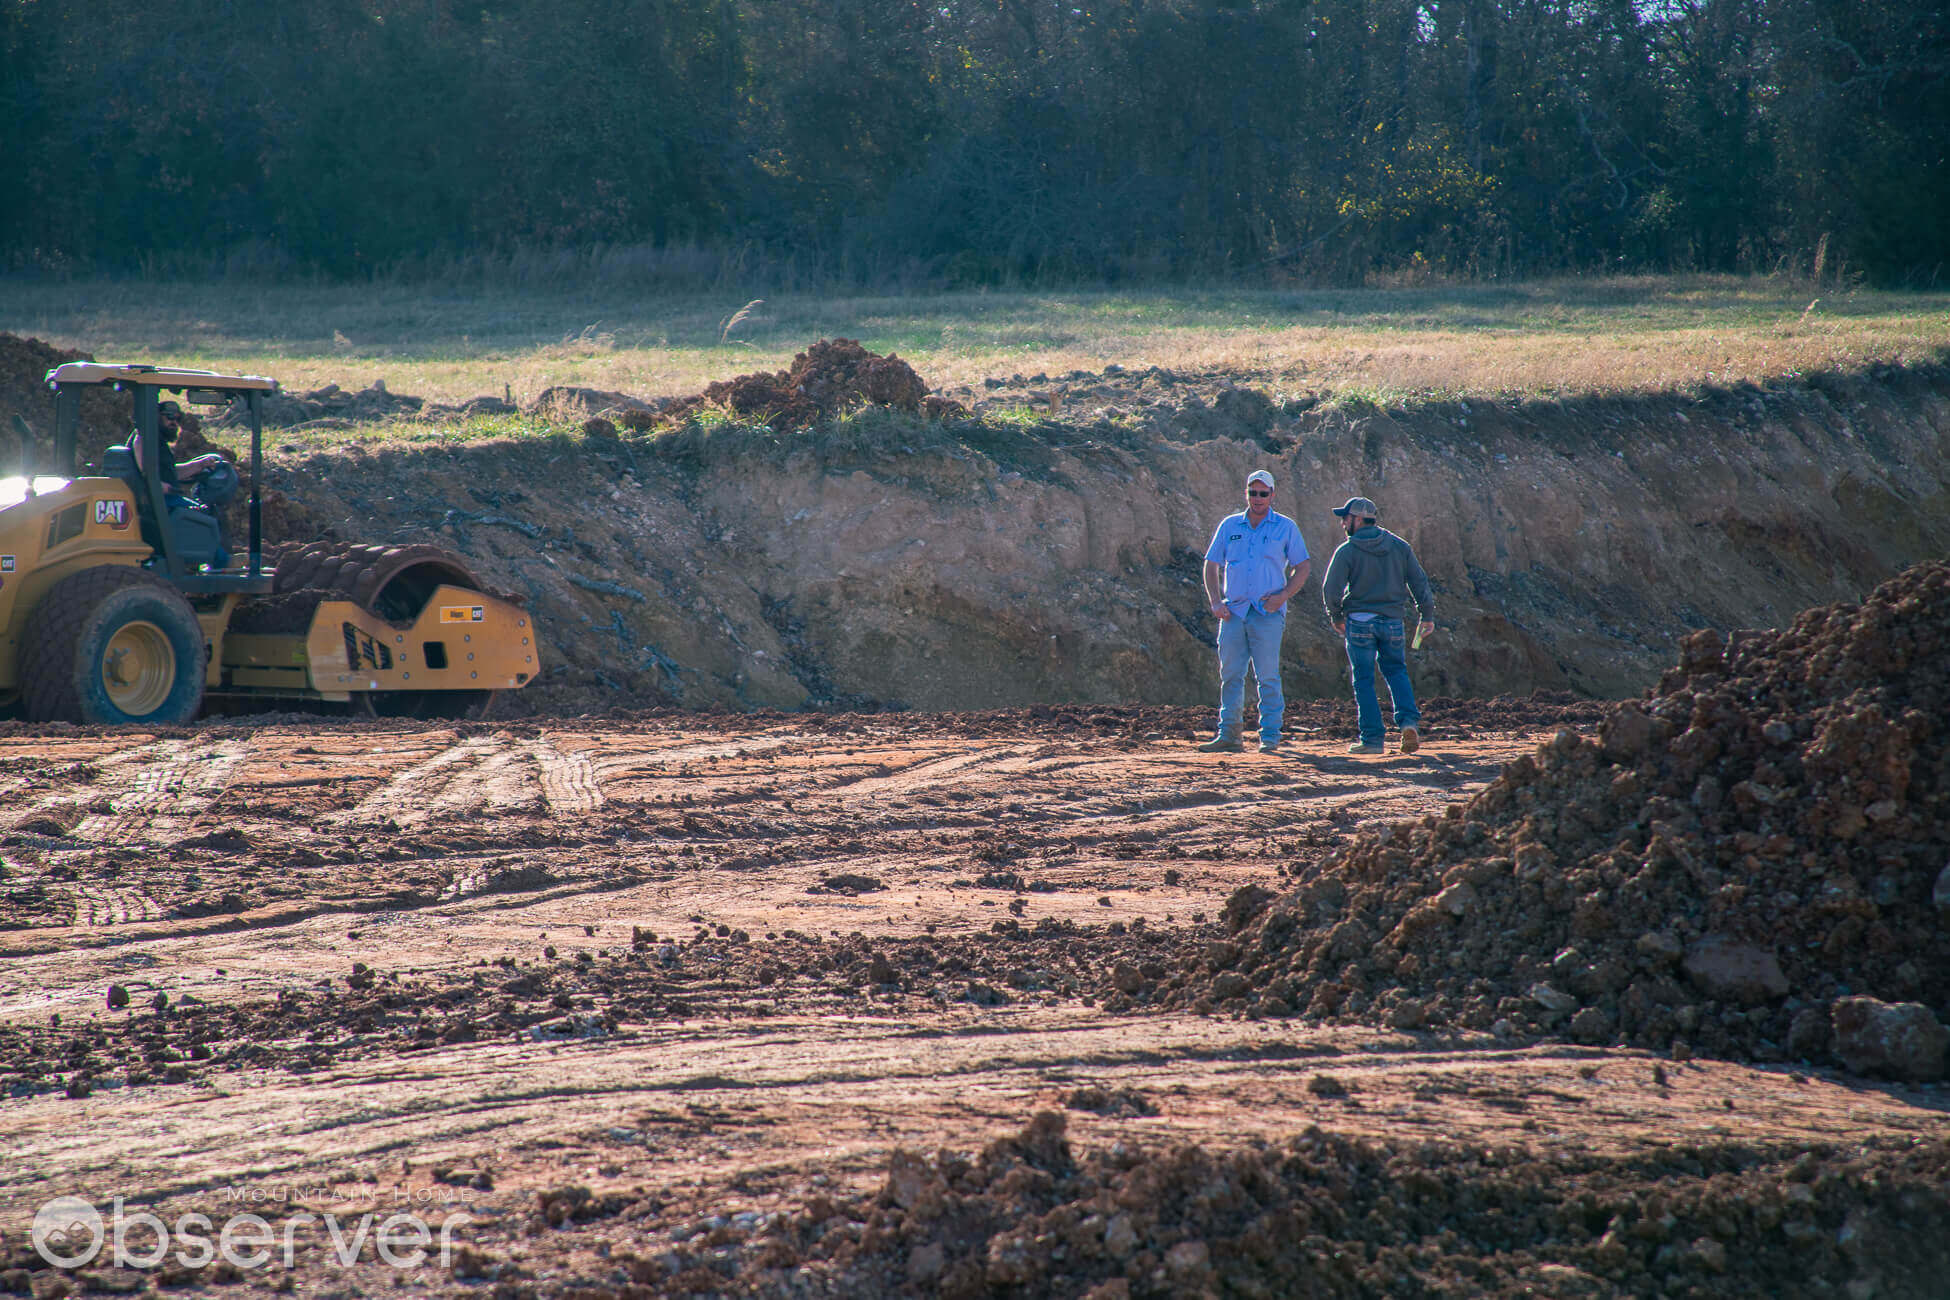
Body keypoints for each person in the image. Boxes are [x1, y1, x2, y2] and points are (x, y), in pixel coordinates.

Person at [1198, 469, 1310, 754]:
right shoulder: (1229, 525)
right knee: (1231, 675)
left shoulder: (1285, 527)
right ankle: (1229, 735)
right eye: (1252, 493)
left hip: (1267, 614)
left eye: (1263, 493)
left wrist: (1282, 596)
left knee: (1267, 677)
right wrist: (1215, 601)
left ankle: (1270, 737)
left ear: (1272, 495)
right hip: (1233, 613)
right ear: (1246, 493)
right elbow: (1211, 564)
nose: (1257, 498)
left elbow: (1303, 567)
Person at [1321, 496, 1435, 755]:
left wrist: (1336, 616)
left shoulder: (1347, 550)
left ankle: (1372, 740)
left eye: (1345, 518)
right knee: (1397, 672)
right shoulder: (1399, 546)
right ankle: (1408, 724)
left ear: (1358, 520)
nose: (1342, 523)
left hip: (1360, 622)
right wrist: (1426, 615)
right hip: (1393, 622)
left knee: (1363, 679)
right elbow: (1419, 582)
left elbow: (1331, 589)